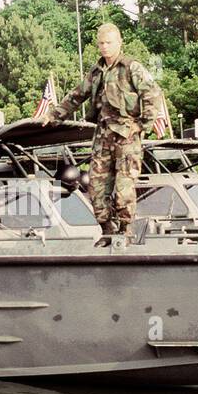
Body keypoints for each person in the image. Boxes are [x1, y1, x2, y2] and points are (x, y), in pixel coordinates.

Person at [41, 23, 165, 239]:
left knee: (124, 189)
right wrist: (53, 115)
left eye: (109, 43)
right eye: (101, 43)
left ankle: (126, 232)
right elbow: (76, 96)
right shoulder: (96, 72)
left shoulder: (131, 68)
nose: (105, 47)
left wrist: (142, 125)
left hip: (127, 138)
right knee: (96, 188)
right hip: (103, 137)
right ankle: (107, 231)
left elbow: (153, 94)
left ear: (119, 43)